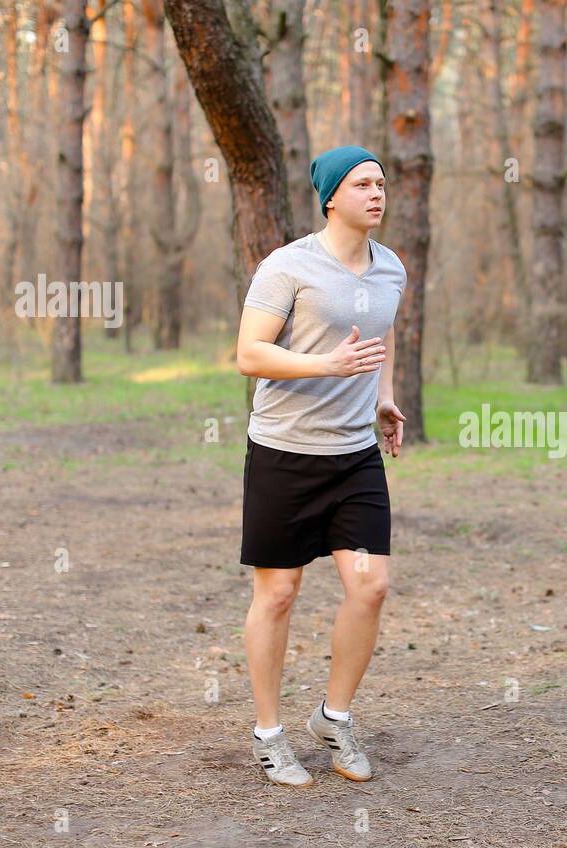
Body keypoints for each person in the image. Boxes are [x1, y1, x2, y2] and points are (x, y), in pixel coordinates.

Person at [234, 145, 408, 787]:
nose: (377, 193)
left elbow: (381, 338)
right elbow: (250, 354)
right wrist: (324, 366)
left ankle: (334, 718)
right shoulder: (288, 267)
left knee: (371, 586)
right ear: (331, 196)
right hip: (285, 452)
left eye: (382, 183)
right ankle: (269, 735)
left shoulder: (390, 269)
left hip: (355, 456)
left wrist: (384, 397)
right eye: (362, 183)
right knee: (278, 593)